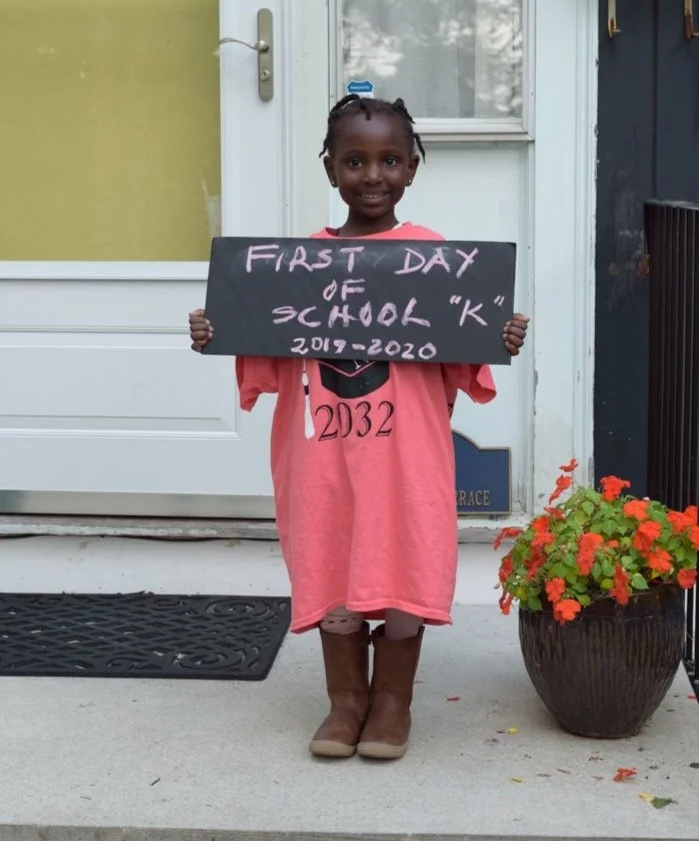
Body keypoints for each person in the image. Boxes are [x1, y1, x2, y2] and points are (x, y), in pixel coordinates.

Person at [189, 95, 529, 761]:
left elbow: (465, 359)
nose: (372, 176)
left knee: (403, 563)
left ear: (411, 169)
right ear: (330, 169)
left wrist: (499, 335)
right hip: (320, 461)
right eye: (354, 161)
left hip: (407, 459)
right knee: (330, 562)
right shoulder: (289, 268)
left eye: (389, 161)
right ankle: (345, 700)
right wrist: (216, 329)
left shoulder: (438, 260)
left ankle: (393, 703)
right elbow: (260, 350)